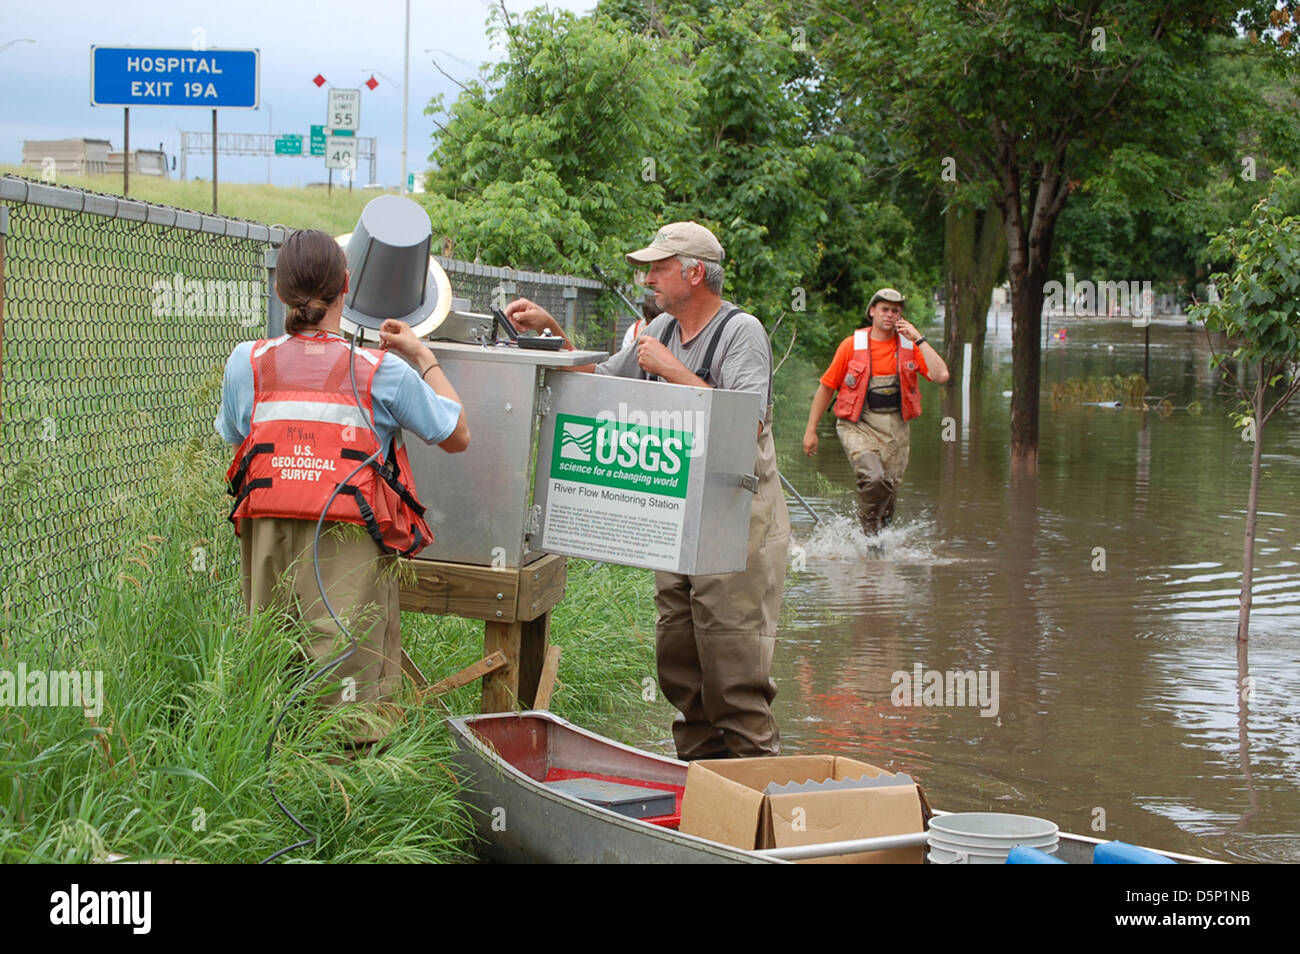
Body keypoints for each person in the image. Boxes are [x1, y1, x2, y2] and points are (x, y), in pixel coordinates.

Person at [506, 221, 789, 760]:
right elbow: (600, 382)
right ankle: (701, 787)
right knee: (680, 660)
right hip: (678, 519)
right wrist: (551, 332)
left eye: (659, 268)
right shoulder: (657, 329)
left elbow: (745, 424)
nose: (648, 278)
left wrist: (672, 370)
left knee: (734, 673)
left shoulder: (740, 331)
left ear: (696, 273)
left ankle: (757, 800)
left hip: (737, 522)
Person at [215, 229, 469, 738]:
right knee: (349, 674)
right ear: (346, 286)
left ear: (281, 291)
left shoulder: (247, 361)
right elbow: (456, 433)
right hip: (349, 534)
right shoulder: (381, 371)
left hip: (267, 532)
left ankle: (267, 774)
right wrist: (422, 356)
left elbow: (239, 434)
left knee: (270, 659)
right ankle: (344, 790)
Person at [802, 288, 949, 534]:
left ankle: (880, 541)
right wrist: (811, 430)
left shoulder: (910, 347)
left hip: (896, 429)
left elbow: (941, 375)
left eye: (896, 310)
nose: (890, 315)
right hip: (857, 425)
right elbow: (827, 388)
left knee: (888, 492)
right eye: (885, 309)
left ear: (901, 316)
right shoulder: (852, 345)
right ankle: (868, 532)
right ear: (872, 312)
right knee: (873, 478)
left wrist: (919, 339)